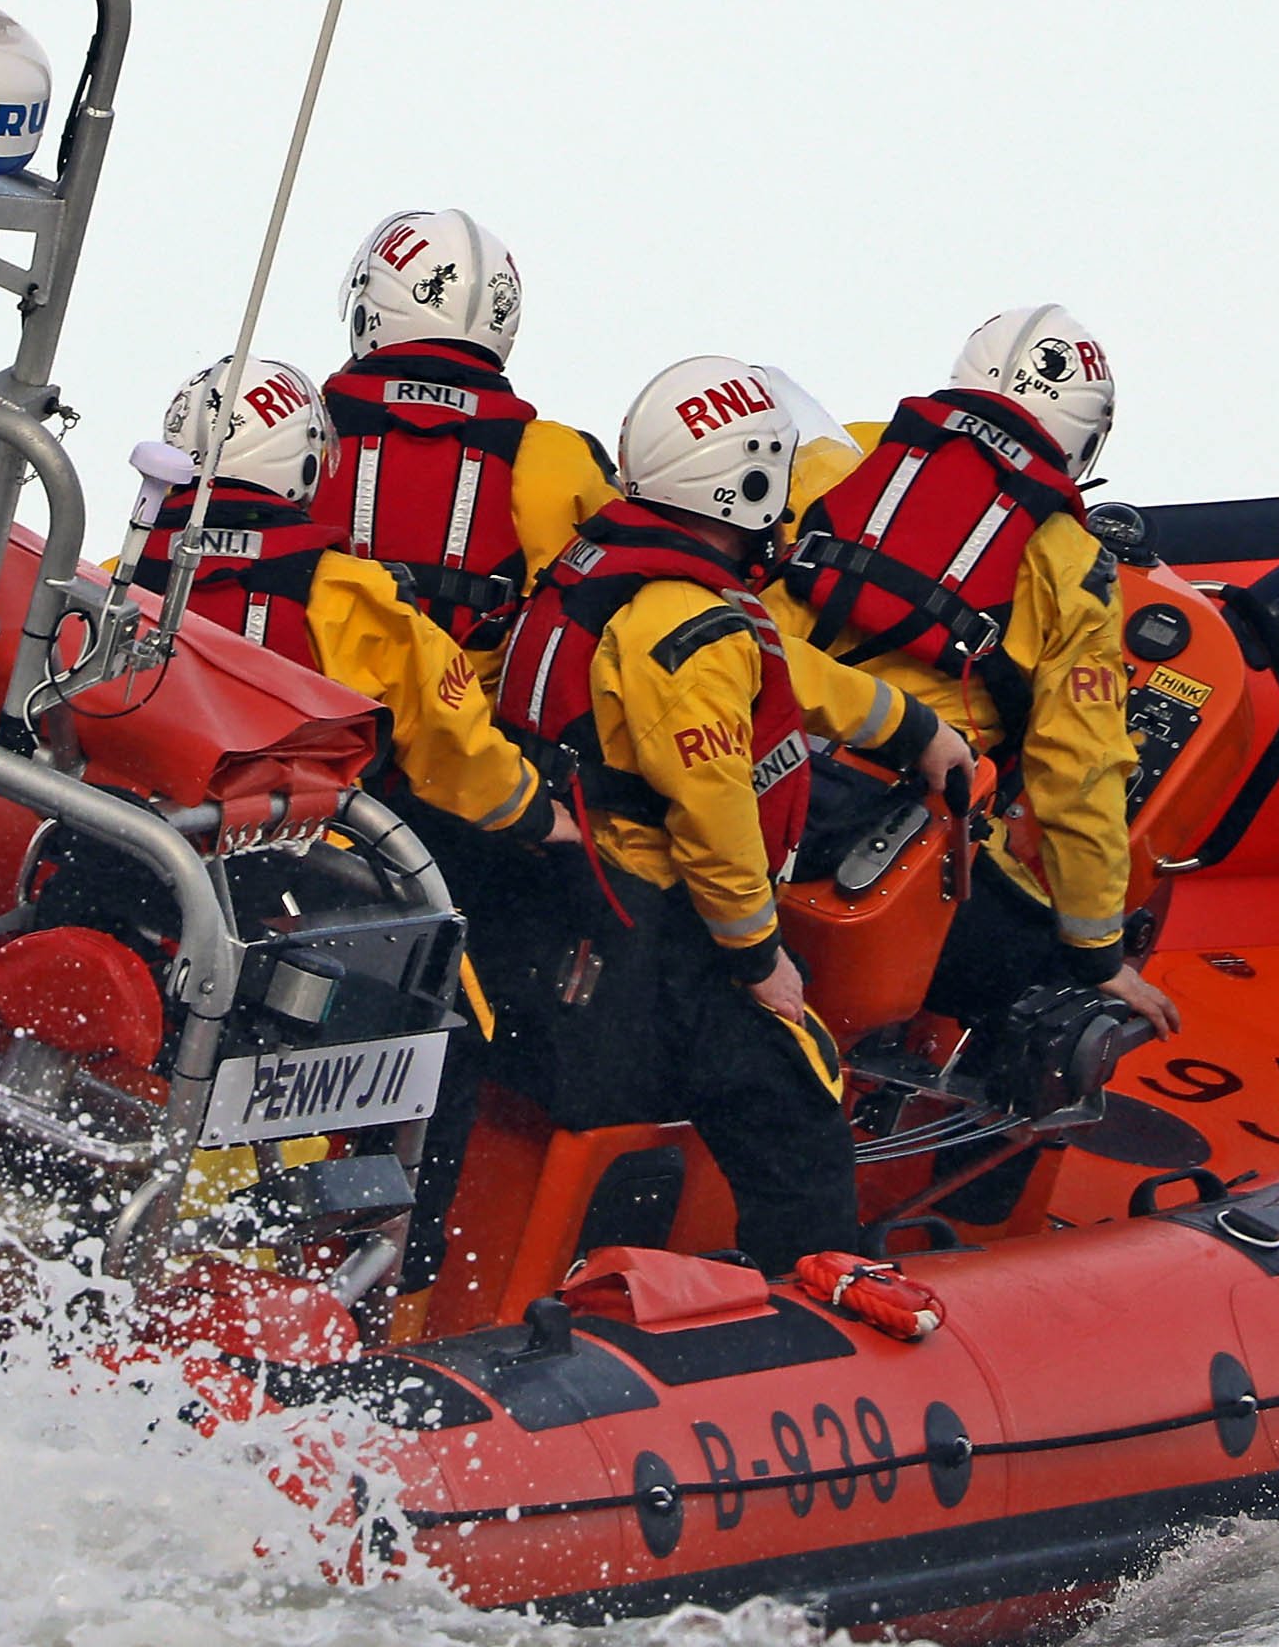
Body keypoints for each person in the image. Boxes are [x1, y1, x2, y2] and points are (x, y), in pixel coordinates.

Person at [493, 356, 953, 1338]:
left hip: (559, 904)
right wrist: (758, 958)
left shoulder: (623, 581)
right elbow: (713, 817)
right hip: (650, 933)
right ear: (742, 484)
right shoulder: (691, 630)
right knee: (790, 1081)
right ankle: (820, 1291)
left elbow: (793, 673)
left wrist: (914, 732)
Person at [141, 354, 583, 1289]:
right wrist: (543, 820)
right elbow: (459, 748)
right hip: (292, 898)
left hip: (131, 869)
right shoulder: (353, 595)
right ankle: (397, 1277)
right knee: (453, 1025)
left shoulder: (118, 576)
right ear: (307, 466)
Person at [773, 305, 1186, 1063]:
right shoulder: (1072, 563)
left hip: (741, 766)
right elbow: (1081, 768)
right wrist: (1095, 949)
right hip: (861, 830)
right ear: (1082, 443)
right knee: (1058, 996)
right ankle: (945, 1167)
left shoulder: (846, 458)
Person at [315, 210, 622, 662]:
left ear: (371, 308)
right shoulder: (562, 457)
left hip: (309, 719)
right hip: (483, 723)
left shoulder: (300, 432)